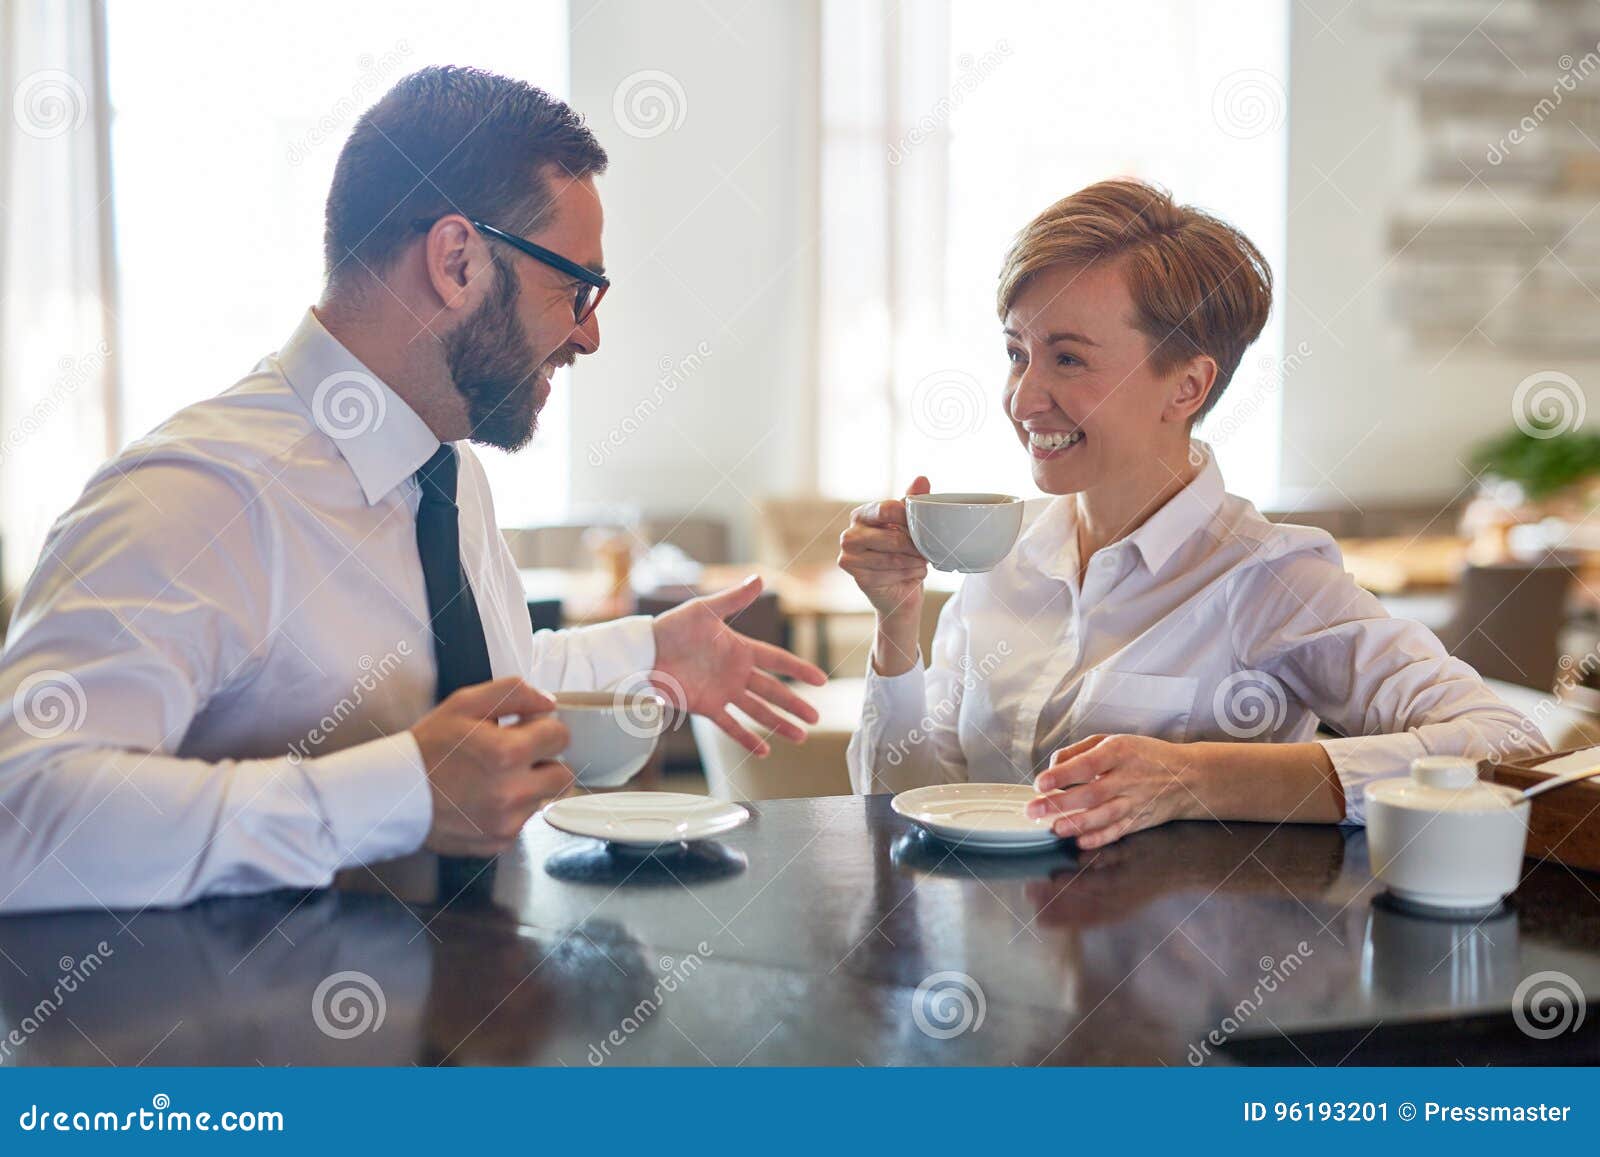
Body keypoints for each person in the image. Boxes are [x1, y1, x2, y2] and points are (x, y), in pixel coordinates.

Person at [0, 66, 824, 914]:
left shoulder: (447, 469)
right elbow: (21, 817)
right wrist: (396, 797)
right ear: (458, 260)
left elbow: (452, 690)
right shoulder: (197, 494)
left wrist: (646, 655)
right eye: (575, 286)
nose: (590, 332)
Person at [838, 179, 1544, 848]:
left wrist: (1194, 778)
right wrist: (896, 622)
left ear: (1187, 386)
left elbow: (1507, 742)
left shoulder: (1265, 575)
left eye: (1068, 360)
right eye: (1017, 353)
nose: (1024, 398)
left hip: (1187, 969)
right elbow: (908, 808)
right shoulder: (1006, 558)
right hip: (991, 969)